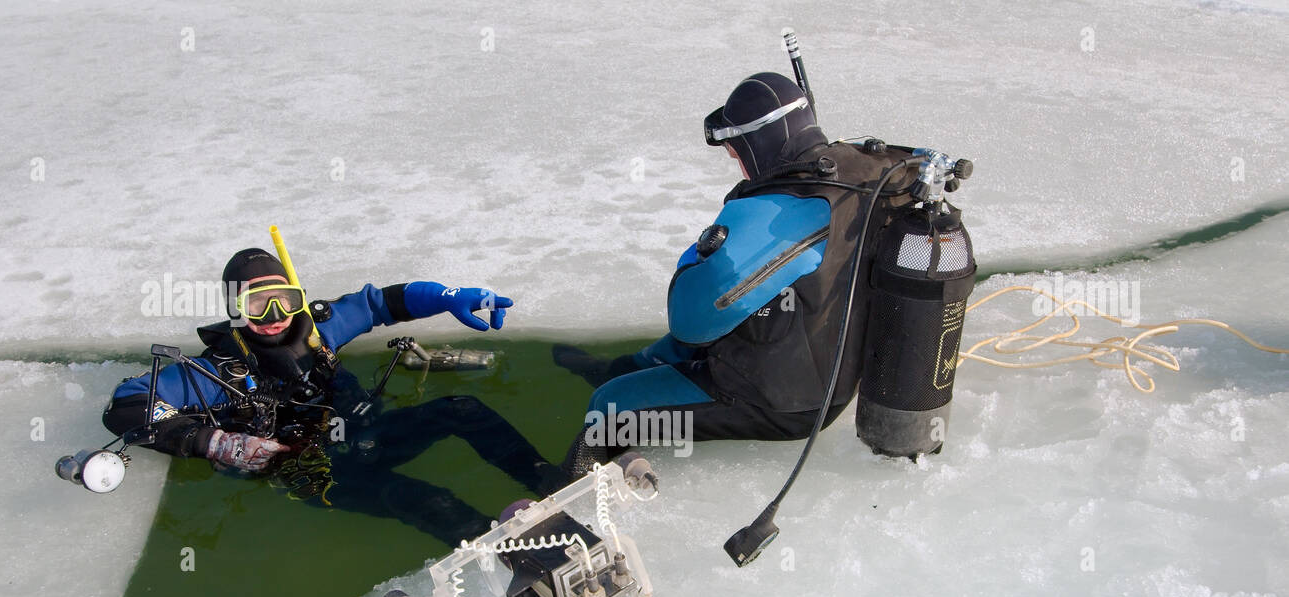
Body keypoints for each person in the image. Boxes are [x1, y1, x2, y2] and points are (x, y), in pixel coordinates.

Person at [555, 71, 919, 471]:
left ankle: (562, 509)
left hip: (781, 401)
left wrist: (696, 256)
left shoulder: (784, 212)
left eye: (736, 150)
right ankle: (621, 369)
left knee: (608, 408)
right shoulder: (868, 173)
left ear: (756, 144)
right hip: (816, 350)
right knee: (669, 352)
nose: (735, 162)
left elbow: (689, 320)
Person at [102, 245, 552, 546]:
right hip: (310, 471)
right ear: (234, 311)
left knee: (464, 409)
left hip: (364, 436)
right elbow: (126, 404)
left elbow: (381, 303)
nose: (275, 316)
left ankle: (550, 482)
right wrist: (217, 443)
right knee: (421, 498)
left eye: (283, 298)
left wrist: (448, 296)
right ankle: (502, 550)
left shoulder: (318, 329)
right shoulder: (214, 372)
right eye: (256, 305)